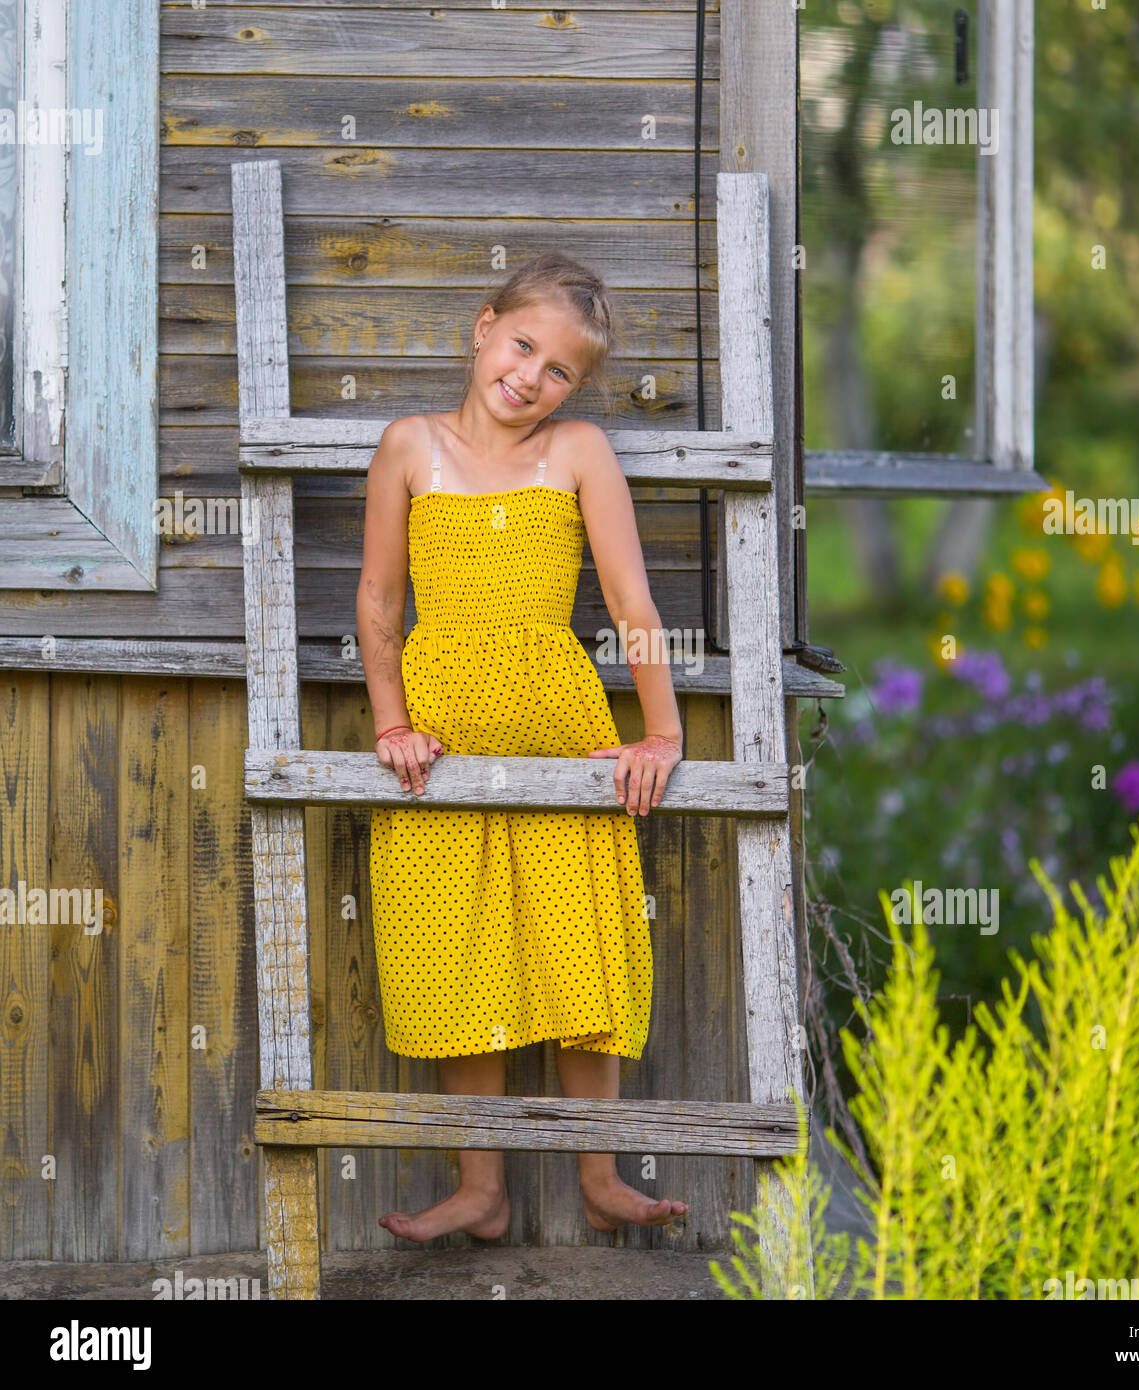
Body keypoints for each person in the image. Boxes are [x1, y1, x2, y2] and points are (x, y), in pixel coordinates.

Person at [356, 253, 688, 1242]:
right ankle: (481, 1185)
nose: (530, 377)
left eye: (558, 371)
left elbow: (632, 605)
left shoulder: (576, 451)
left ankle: (598, 1172)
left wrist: (660, 729)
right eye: (523, 345)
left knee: (575, 948)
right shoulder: (410, 447)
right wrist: (390, 722)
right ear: (483, 324)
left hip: (561, 741)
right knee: (466, 958)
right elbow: (377, 601)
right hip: (442, 748)